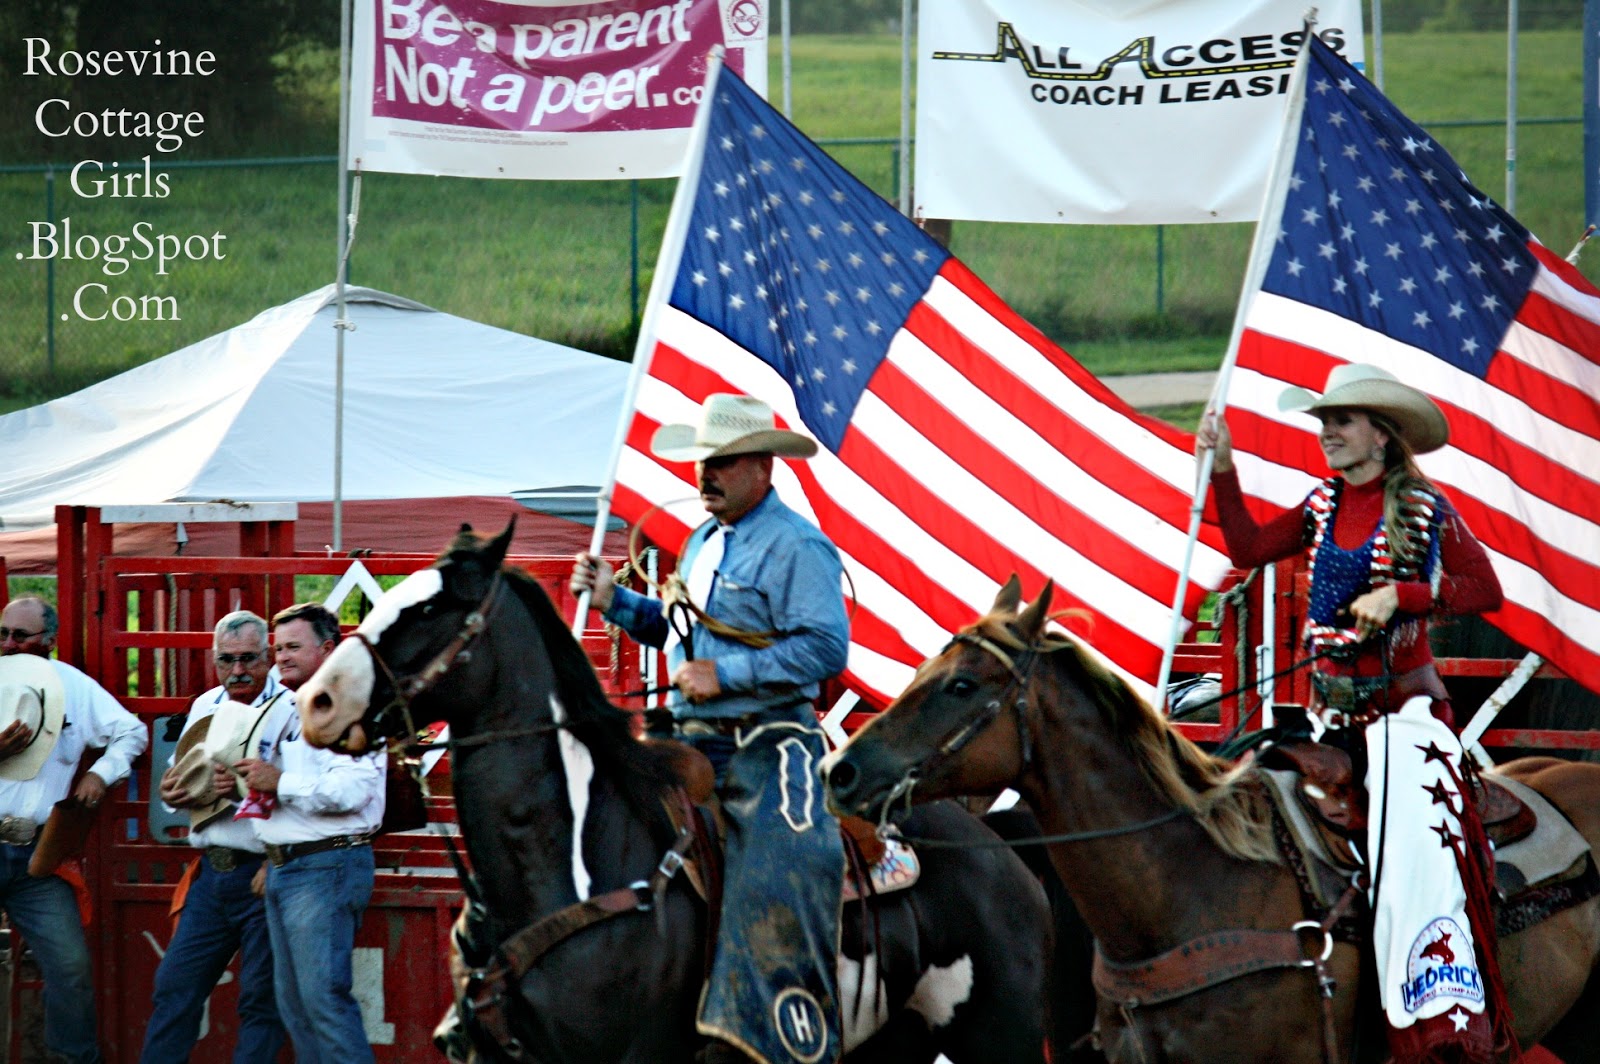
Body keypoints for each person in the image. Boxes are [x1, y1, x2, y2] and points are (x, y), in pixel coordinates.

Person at [1197, 362, 1507, 1064]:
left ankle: (1444, 1025)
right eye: (1323, 420)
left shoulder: (1428, 510)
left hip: (1407, 718)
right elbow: (1247, 549)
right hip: (1328, 722)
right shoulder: (1322, 504)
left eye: (1341, 420)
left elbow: (1486, 590)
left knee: (1416, 864)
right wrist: (1222, 467)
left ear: (1383, 436)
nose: (1327, 432)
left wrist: (1407, 596)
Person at [571, 393, 850, 1064]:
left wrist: (729, 678)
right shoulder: (702, 540)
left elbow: (826, 649)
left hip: (770, 742)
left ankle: (781, 1033)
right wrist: (618, 602)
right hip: (691, 740)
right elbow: (681, 630)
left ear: (763, 467)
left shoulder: (799, 545)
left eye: (722, 463)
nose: (706, 475)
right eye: (703, 462)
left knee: (776, 871)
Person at [0, 595, 147, 1064]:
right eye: (3, 634)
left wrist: (99, 774)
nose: (9, 644)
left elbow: (133, 732)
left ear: (50, 640)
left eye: (21, 635)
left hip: (36, 859)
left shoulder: (73, 686)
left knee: (71, 968)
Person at [234, 602, 383, 1064]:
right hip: (291, 866)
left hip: (325, 865)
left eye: (294, 647)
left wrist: (278, 783)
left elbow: (354, 790)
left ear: (328, 648)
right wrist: (237, 785)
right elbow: (273, 785)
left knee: (322, 1004)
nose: (281, 657)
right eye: (277, 648)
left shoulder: (351, 705)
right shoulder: (285, 707)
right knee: (298, 1007)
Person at [143, 610, 288, 1064]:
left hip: (264, 870)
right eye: (227, 660)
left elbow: (304, 792)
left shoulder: (289, 707)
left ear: (269, 658)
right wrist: (172, 791)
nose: (237, 670)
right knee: (174, 988)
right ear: (214, 659)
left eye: (248, 659)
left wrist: (276, 855)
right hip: (212, 873)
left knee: (260, 1001)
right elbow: (178, 782)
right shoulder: (206, 704)